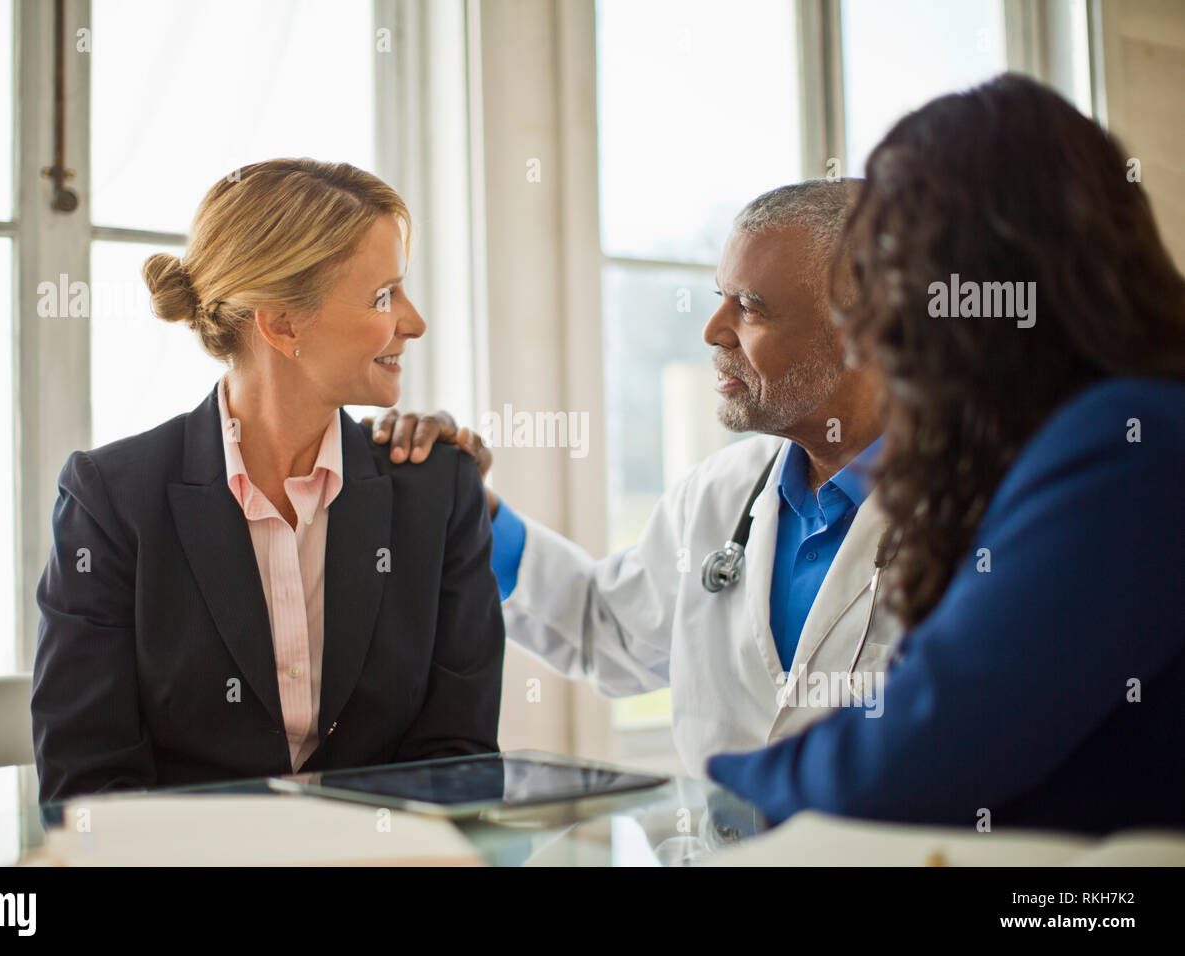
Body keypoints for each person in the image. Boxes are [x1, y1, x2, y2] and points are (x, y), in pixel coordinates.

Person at [707, 74, 1185, 834]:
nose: (872, 328)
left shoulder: (1130, 442)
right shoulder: (1066, 443)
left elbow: (932, 739)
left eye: (893, 273)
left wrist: (720, 796)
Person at [373, 179, 901, 778]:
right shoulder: (719, 495)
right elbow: (604, 629)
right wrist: (470, 507)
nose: (712, 330)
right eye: (720, 297)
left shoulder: (976, 517)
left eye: (750, 307)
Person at [31, 159, 505, 803]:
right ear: (282, 323)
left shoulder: (439, 491)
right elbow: (87, 790)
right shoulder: (110, 502)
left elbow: (461, 763)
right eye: (383, 296)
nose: (414, 321)